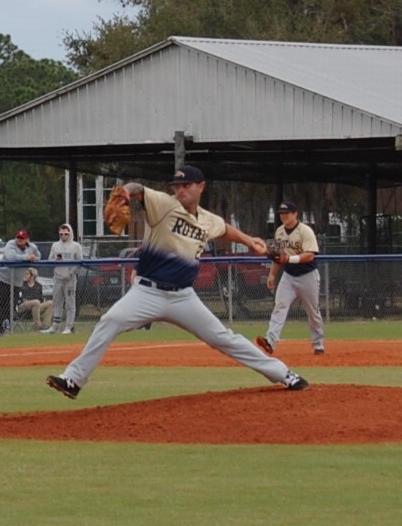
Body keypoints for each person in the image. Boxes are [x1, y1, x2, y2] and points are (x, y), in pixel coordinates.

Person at [46, 165, 309, 399]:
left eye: (186, 185)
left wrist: (249, 241)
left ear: (201, 187)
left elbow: (223, 228)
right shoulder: (164, 204)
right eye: (177, 185)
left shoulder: (207, 219)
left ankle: (284, 374)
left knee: (224, 338)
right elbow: (138, 188)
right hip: (147, 292)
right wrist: (125, 192)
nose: (180, 189)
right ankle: (74, 380)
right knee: (109, 322)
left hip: (183, 297)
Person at [256, 201, 325, 356]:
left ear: (295, 214)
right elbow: (278, 256)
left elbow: (310, 255)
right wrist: (272, 274)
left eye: (287, 213)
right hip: (288, 276)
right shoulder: (280, 232)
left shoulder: (305, 231)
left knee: (312, 311)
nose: (283, 216)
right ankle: (270, 342)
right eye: (281, 213)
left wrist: (289, 259)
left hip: (308, 276)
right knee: (279, 306)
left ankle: (318, 344)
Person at [0, 230, 40, 335]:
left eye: (22, 239)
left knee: (10, 307)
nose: (19, 240)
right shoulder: (11, 244)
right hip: (1, 279)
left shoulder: (32, 247)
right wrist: (27, 258)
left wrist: (32, 258)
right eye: (18, 238)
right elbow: (11, 257)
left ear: (27, 240)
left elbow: (38, 256)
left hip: (16, 283)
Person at [42, 223, 85, 334]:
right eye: (61, 234)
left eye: (66, 234)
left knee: (70, 303)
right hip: (57, 278)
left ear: (70, 233)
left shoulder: (76, 246)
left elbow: (79, 262)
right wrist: (55, 262)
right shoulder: (55, 245)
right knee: (57, 302)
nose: (63, 236)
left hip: (69, 279)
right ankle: (55, 326)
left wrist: (71, 273)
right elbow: (50, 259)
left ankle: (69, 326)